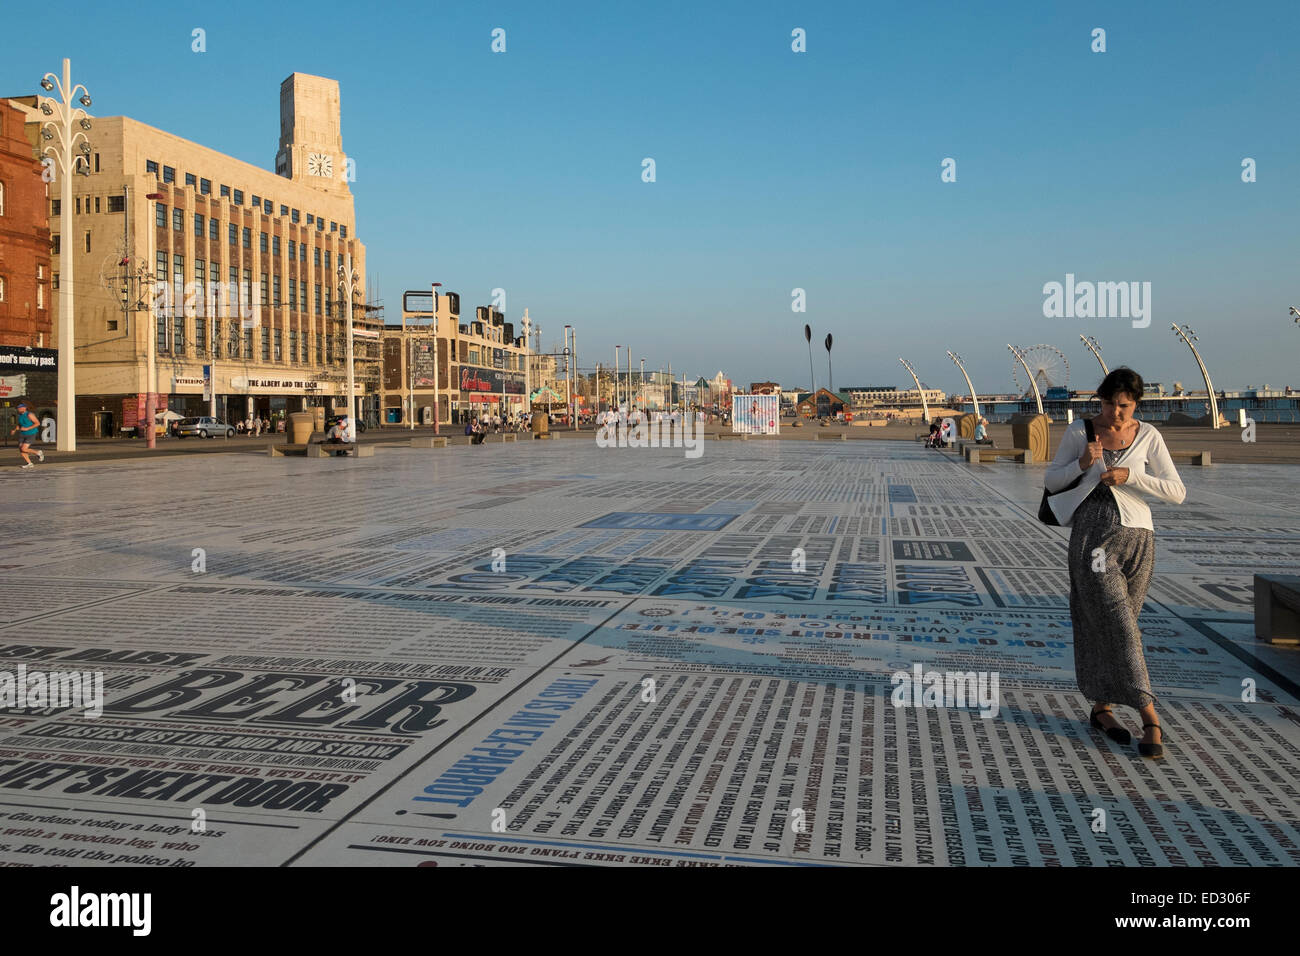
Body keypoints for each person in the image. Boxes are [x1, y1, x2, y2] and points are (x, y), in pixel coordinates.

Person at [1044, 367, 1185, 760]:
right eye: (1108, 404)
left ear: (1136, 404)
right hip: (1093, 540)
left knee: (1115, 624)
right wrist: (1081, 465)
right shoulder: (1080, 432)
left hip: (1140, 540)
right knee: (1120, 624)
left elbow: (1176, 491)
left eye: (1123, 406)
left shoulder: (1150, 436)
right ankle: (1150, 716)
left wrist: (1133, 476)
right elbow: (1052, 480)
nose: (1115, 413)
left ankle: (1101, 707)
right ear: (1100, 402)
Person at [10, 402, 43, 469]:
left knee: (24, 448)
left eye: (20, 408)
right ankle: (29, 463)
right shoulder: (20, 416)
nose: (19, 409)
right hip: (22, 434)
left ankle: (38, 452)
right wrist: (14, 430)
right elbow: (20, 425)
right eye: (18, 408)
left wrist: (27, 428)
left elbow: (37, 423)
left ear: (25, 408)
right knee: (21, 450)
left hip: (31, 433)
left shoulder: (29, 414)